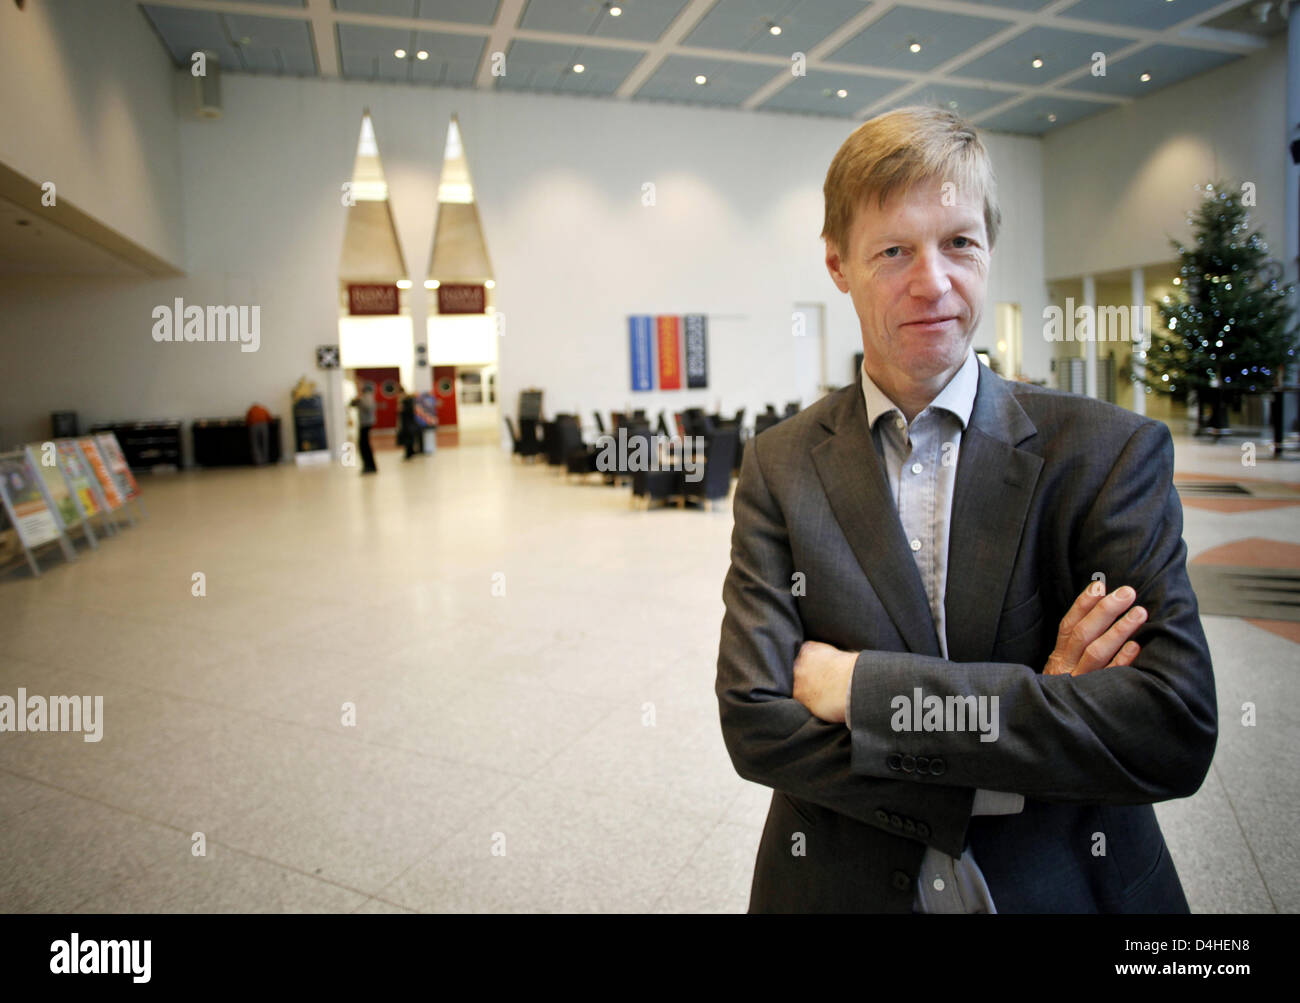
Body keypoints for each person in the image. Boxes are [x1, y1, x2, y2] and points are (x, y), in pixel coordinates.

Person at [714, 106, 1216, 914]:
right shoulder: (780, 465)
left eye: (959, 243)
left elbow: (1171, 726)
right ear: (838, 263)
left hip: (1069, 885)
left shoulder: (1106, 454)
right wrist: (1040, 710)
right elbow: (755, 721)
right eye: (893, 251)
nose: (933, 282)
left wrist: (863, 692)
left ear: (988, 248)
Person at [348, 385, 378, 474]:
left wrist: (360, 400)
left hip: (366, 423)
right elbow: (352, 404)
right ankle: (368, 465)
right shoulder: (363, 397)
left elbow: (368, 407)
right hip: (364, 423)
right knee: (363, 445)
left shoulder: (367, 396)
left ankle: (370, 466)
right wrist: (357, 399)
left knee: (364, 445)